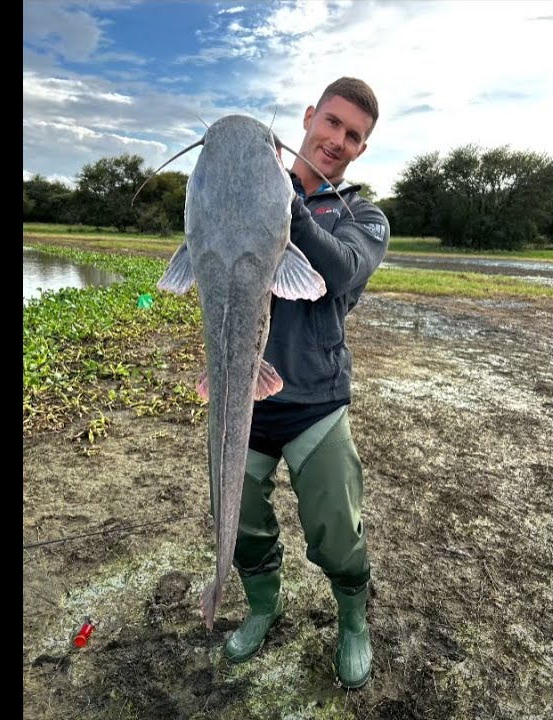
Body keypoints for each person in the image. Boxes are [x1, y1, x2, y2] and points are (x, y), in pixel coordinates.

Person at [224, 77, 389, 690]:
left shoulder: (363, 216)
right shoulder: (251, 194)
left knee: (337, 530)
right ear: (309, 116)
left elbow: (342, 270)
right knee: (238, 519)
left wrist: (283, 199)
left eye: (354, 135)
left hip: (316, 402)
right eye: (333, 122)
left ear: (362, 149)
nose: (338, 140)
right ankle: (263, 605)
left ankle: (353, 620)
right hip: (244, 395)